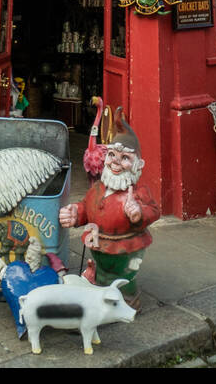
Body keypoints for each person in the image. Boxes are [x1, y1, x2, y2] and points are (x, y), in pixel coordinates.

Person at [58, 121, 159, 309]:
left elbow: (153, 211)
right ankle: (104, 294)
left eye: (125, 158)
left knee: (124, 278)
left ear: (138, 164)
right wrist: (76, 213)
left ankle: (127, 303)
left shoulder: (138, 193)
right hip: (99, 245)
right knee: (103, 274)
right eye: (112, 155)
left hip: (126, 249)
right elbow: (86, 207)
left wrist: (138, 212)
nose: (115, 162)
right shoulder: (97, 189)